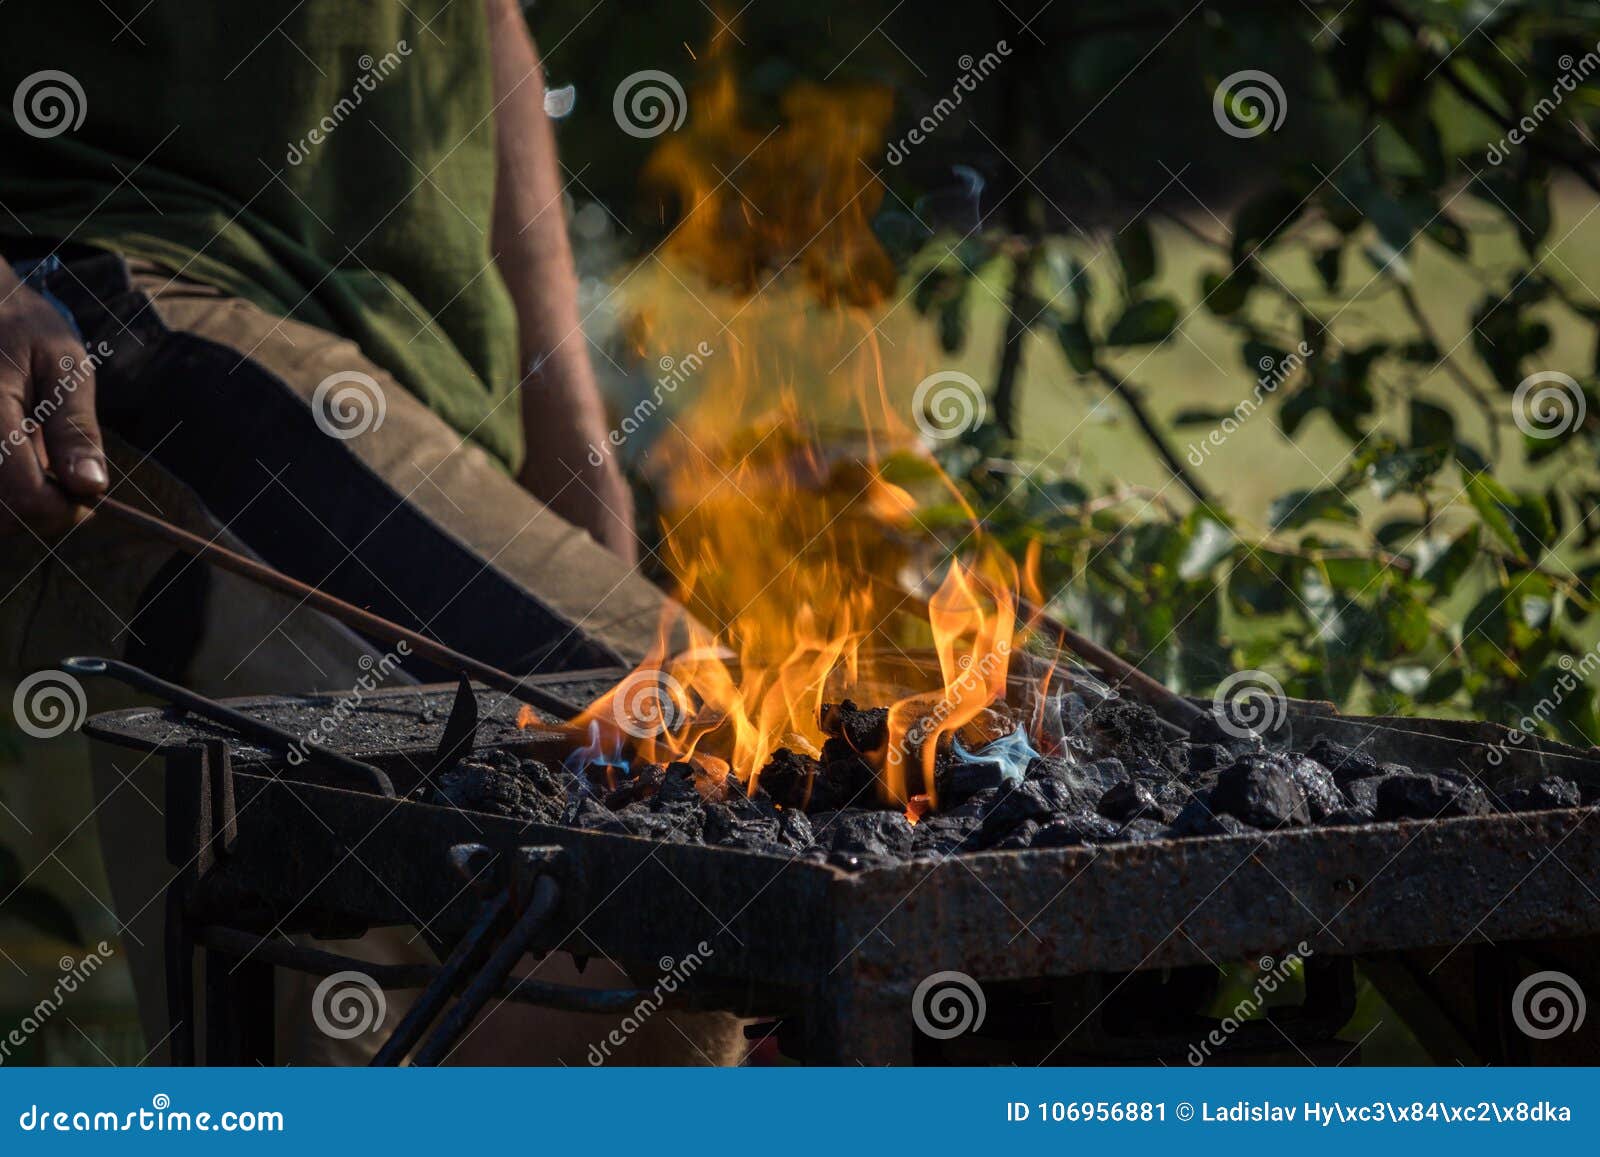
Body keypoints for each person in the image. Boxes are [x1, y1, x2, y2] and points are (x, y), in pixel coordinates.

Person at [0, 0, 741, 1065]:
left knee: (345, 1050)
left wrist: (572, 451)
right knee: (697, 813)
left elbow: (482, 25)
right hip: (122, 293)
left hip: (424, 382)